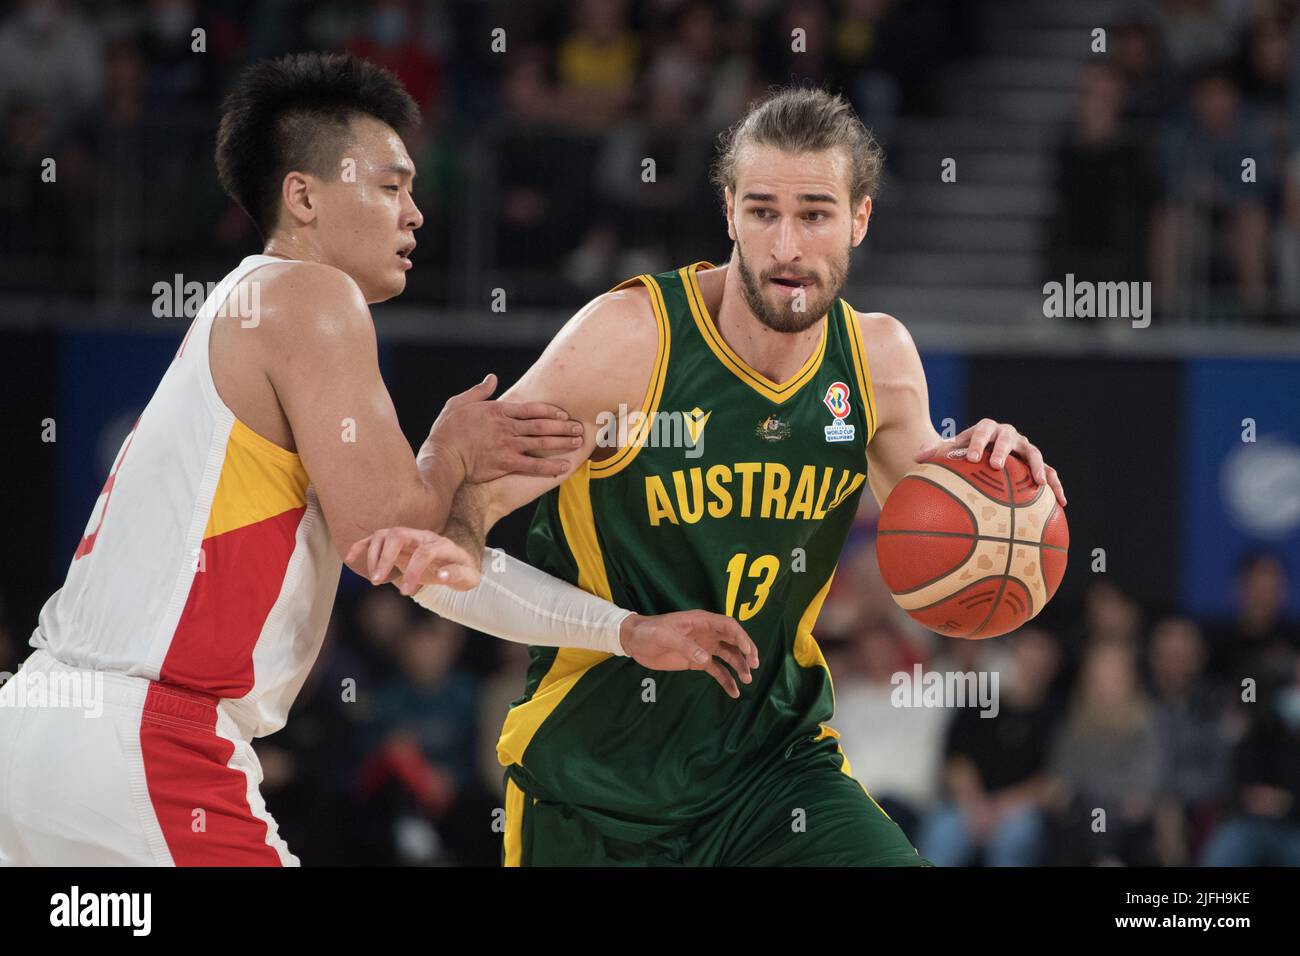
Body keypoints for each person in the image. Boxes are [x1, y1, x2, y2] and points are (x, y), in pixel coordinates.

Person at [0, 52, 750, 868]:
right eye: (391, 187)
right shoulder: (311, 297)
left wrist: (624, 631)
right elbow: (394, 528)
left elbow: (424, 569)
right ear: (304, 196)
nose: (416, 214)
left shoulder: (247, 307)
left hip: (42, 729)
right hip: (145, 743)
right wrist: (448, 448)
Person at [358, 86, 1066, 866]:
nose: (787, 246)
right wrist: (625, 632)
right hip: (597, 784)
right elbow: (446, 547)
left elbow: (934, 553)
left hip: (774, 775)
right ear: (729, 211)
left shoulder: (878, 361)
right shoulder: (628, 344)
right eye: (763, 212)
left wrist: (984, 483)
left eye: (816, 214)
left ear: (860, 219)